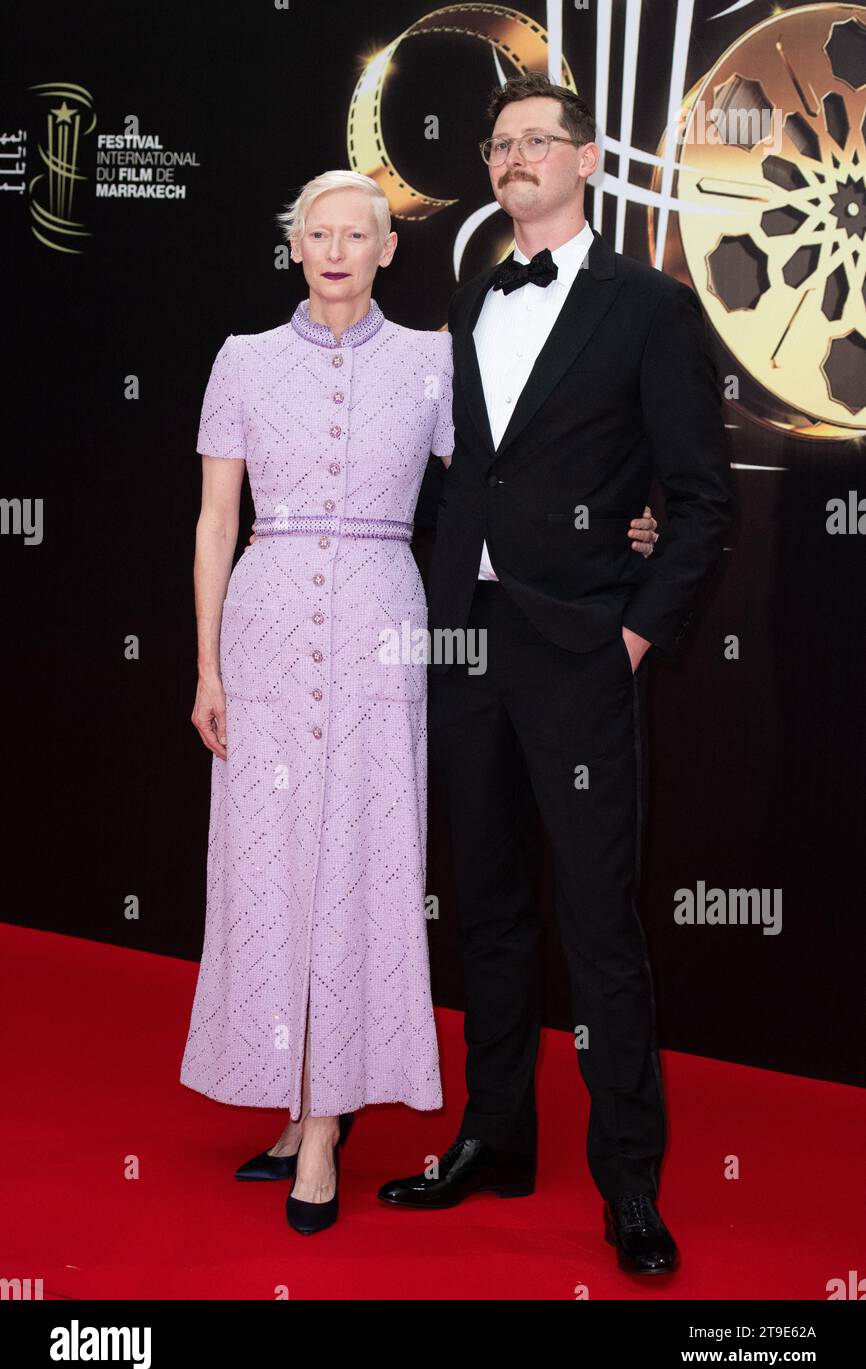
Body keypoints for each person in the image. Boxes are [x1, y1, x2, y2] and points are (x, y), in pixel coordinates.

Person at [184, 167, 660, 1236]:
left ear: (388, 249)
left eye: (359, 234)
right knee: (266, 862)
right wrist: (207, 665)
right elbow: (216, 521)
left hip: (385, 630)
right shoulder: (243, 362)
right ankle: (292, 1092)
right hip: (262, 625)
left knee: (360, 857)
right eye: (318, 233)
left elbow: (503, 483)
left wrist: (613, 520)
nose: (338, 250)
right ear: (294, 245)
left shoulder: (433, 363)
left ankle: (324, 1127)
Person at [377, 74, 735, 1276]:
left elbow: (697, 500)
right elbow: (464, 473)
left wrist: (633, 631)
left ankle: (628, 1186)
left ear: (585, 161)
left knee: (597, 925)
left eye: (537, 141)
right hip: (462, 638)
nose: (513, 156)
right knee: (484, 908)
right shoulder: (472, 292)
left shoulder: (647, 305)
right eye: (498, 144)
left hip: (579, 646)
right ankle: (492, 1138)